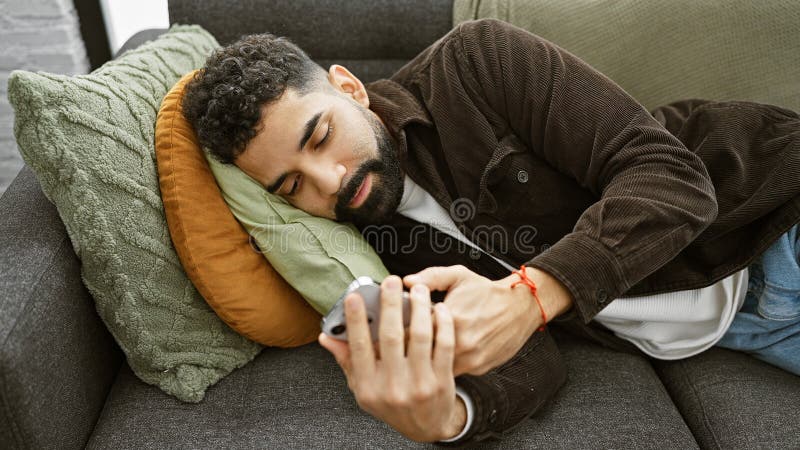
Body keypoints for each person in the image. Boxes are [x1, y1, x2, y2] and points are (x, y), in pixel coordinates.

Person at [182, 18, 800, 444]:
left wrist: (531, 294)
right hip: (744, 331)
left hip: (769, 219)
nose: (330, 182)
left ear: (350, 88)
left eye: (320, 136)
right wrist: (448, 414)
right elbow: (527, 361)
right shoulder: (366, 246)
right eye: (292, 187)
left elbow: (671, 180)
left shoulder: (477, 62)